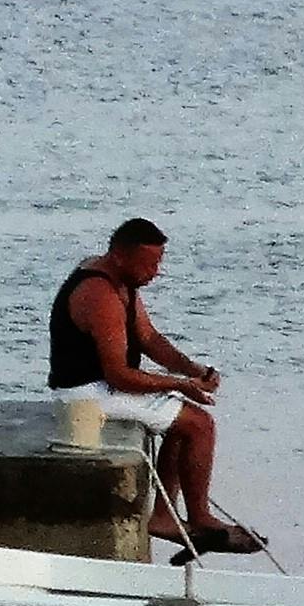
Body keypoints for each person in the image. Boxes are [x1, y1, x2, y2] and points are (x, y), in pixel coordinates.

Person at [51, 217, 264, 554]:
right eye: (149, 264)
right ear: (120, 256)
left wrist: (194, 369)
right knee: (200, 424)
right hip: (86, 395)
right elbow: (118, 376)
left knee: (184, 420)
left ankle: (164, 517)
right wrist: (181, 386)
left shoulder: (122, 282)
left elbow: (148, 337)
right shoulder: (100, 294)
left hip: (100, 388)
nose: (155, 272)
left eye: (158, 263)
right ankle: (201, 517)